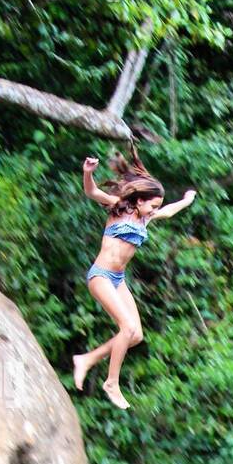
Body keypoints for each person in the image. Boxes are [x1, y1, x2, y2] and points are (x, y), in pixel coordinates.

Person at [72, 147, 196, 409]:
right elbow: (92, 192)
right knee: (126, 328)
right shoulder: (118, 208)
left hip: (118, 279)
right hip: (101, 276)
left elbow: (170, 211)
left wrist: (186, 200)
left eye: (156, 206)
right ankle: (111, 383)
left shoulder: (146, 217)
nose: (155, 210)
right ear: (139, 201)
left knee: (136, 335)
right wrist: (87, 173)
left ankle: (87, 359)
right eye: (152, 205)